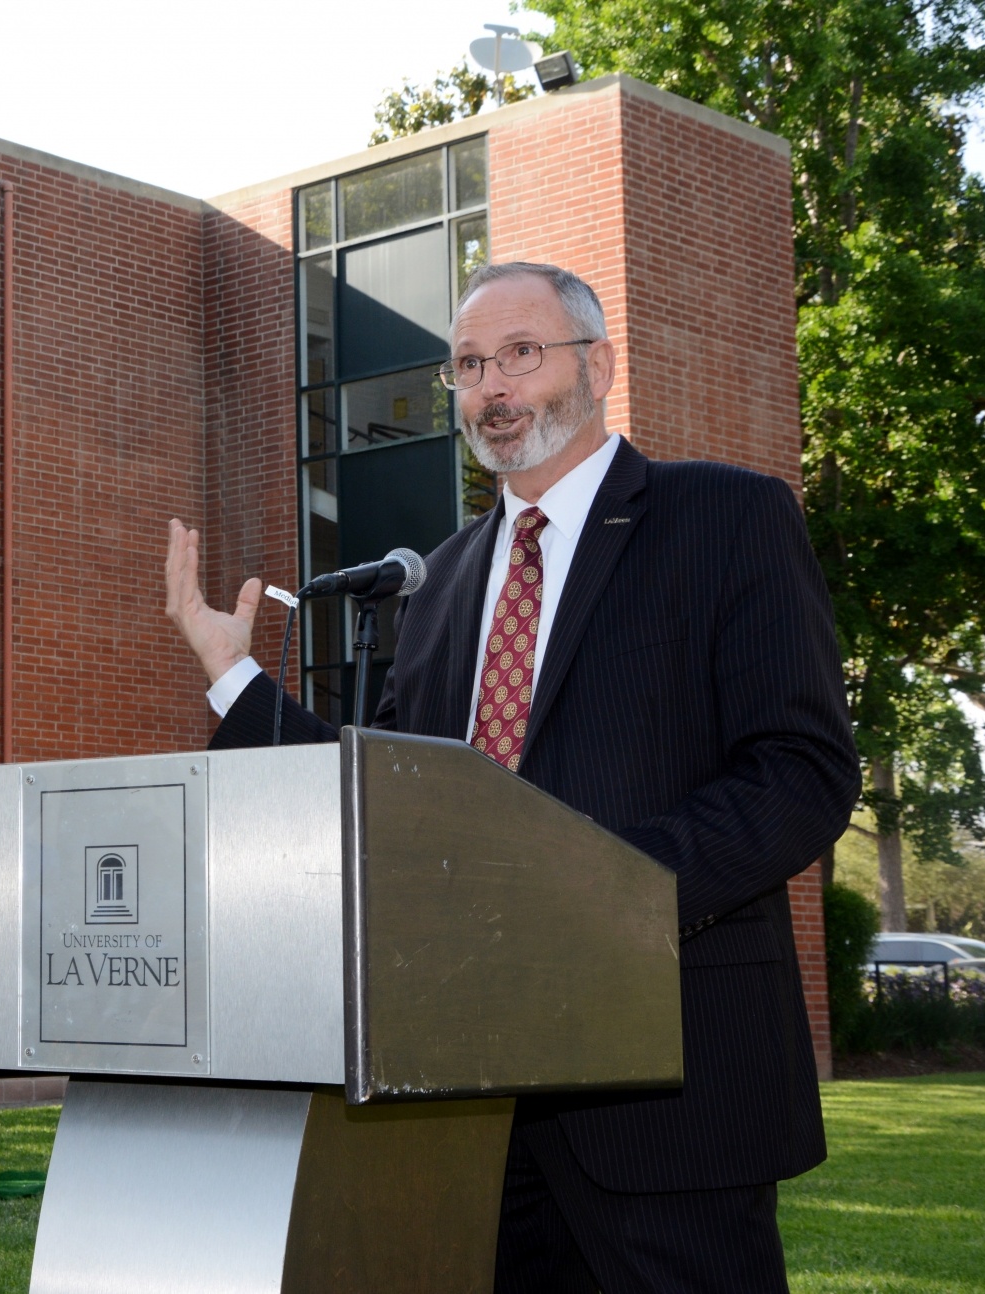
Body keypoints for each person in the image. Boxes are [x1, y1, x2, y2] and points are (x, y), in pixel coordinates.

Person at [164, 262, 859, 1293]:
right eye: (468, 366)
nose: (491, 387)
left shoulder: (724, 518)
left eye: (519, 355)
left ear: (599, 364)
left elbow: (799, 773)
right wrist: (234, 677)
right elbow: (387, 805)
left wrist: (587, 887)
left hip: (667, 1094)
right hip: (471, 1108)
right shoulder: (439, 582)